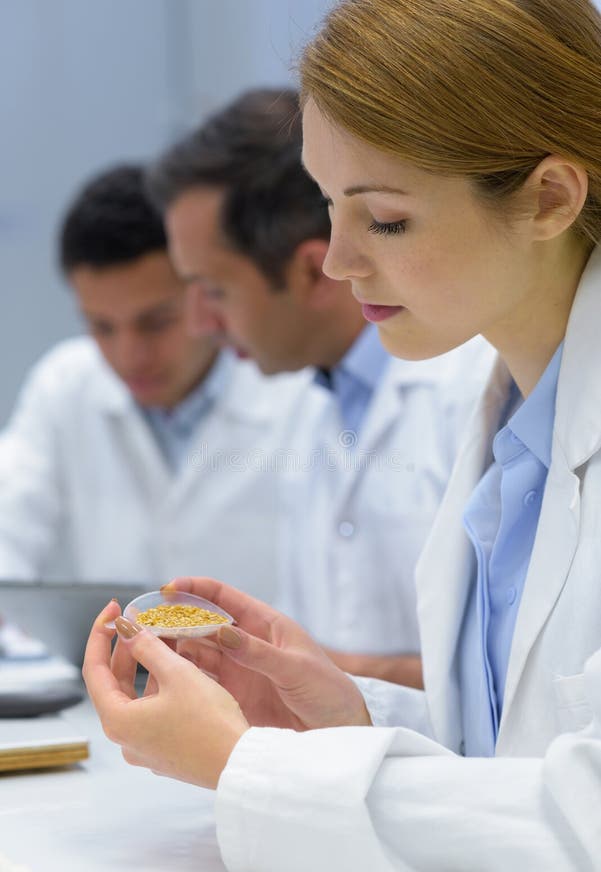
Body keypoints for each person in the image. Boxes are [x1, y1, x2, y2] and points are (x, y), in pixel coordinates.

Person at [84, 0, 601, 872]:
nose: (334, 263)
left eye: (385, 220)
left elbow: (583, 817)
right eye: (330, 208)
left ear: (548, 199)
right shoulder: (515, 423)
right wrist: (342, 714)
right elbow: (520, 751)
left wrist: (248, 768)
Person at [147, 89, 492, 685]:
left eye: (215, 291)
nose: (199, 323)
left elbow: (521, 683)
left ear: (312, 270)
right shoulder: (311, 404)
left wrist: (316, 674)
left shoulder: (475, 390)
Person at [0, 164, 305, 600]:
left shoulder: (293, 388)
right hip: (118, 646)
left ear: (204, 290)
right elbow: (9, 524)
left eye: (156, 322)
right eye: (102, 327)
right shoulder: (65, 385)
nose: (129, 356)